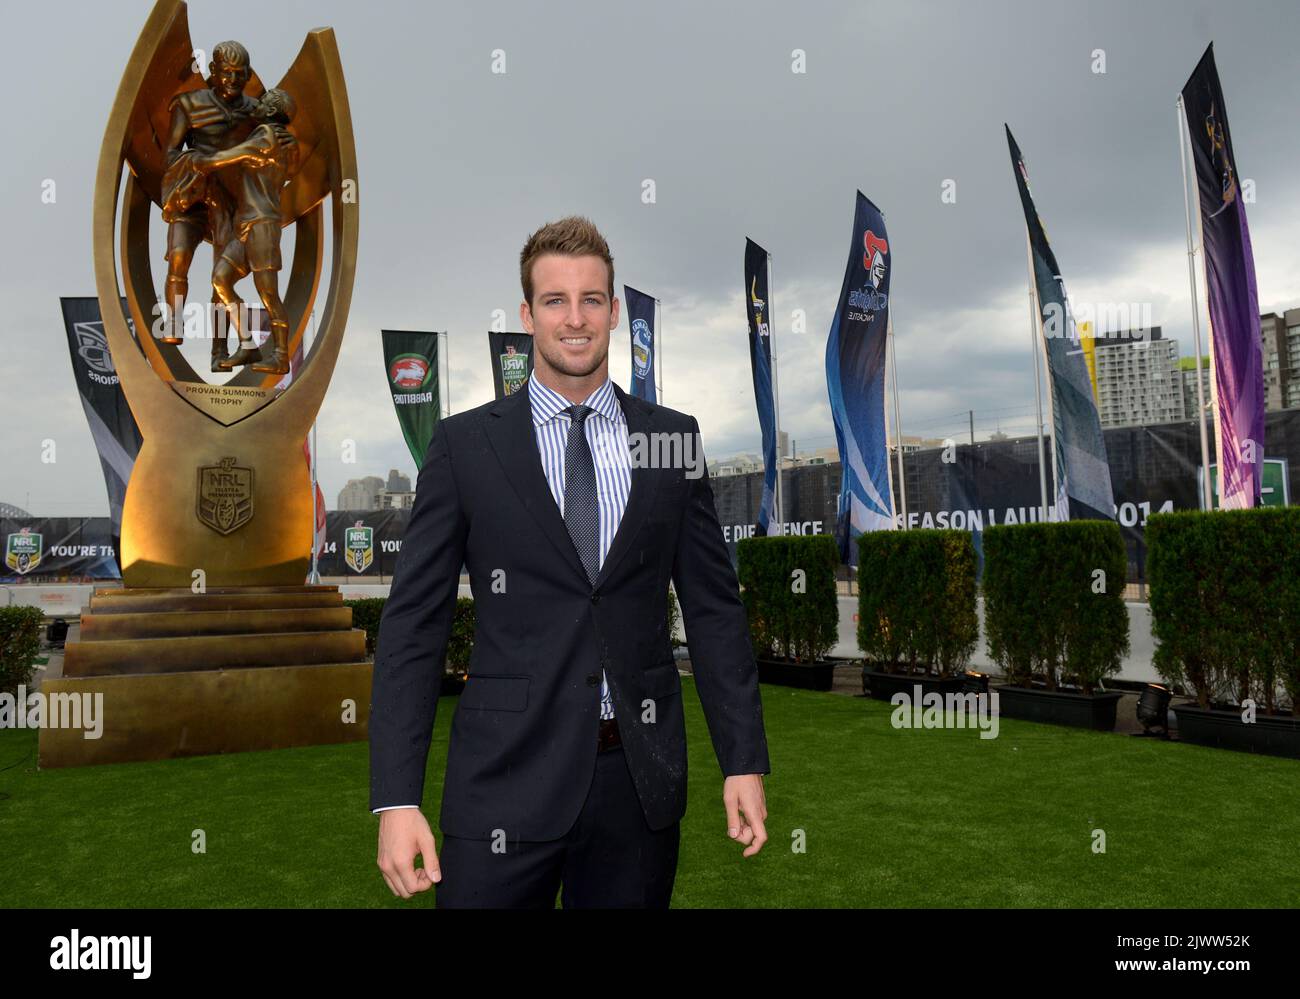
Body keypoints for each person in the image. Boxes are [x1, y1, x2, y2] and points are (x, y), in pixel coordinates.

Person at [369, 216, 771, 908]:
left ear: (614, 311)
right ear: (528, 314)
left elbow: (713, 609)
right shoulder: (466, 447)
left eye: (592, 299)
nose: (575, 318)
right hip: (501, 779)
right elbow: (412, 628)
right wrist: (396, 798)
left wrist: (743, 759)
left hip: (635, 785)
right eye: (556, 300)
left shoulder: (670, 441)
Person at [159, 40, 258, 370]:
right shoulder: (188, 105)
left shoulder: (253, 111)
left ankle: (220, 350)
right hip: (192, 195)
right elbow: (171, 154)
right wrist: (199, 162)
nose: (234, 80)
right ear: (213, 72)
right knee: (178, 256)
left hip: (229, 203)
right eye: (228, 73)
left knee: (221, 277)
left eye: (241, 74)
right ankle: (172, 323)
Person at [189, 88, 300, 375]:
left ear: (273, 110)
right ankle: (248, 344)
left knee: (268, 293)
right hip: (246, 224)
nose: (258, 103)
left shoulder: (266, 134)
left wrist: (198, 159)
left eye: (264, 101)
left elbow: (223, 158)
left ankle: (279, 355)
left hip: (262, 224)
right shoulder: (283, 141)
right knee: (220, 280)